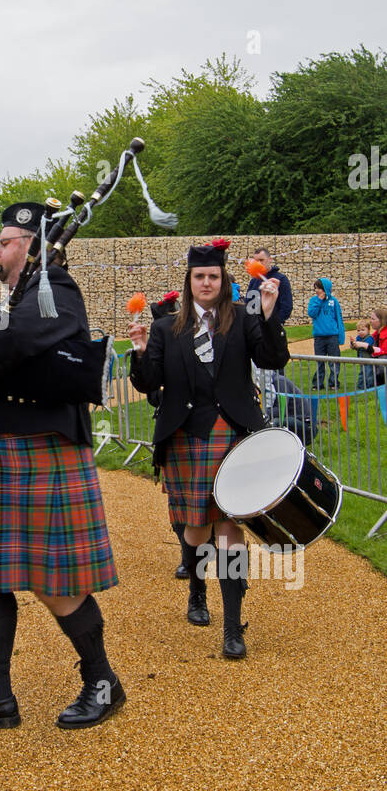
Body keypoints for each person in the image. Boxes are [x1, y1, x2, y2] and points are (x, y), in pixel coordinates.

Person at [0, 201, 123, 731]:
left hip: (42, 453)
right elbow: (9, 368)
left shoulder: (55, 289)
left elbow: (17, 341)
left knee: (55, 583)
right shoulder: (13, 300)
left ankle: (102, 683)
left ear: (32, 245)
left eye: (6, 241)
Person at [128, 239, 289, 659]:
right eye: (199, 276)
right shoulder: (167, 328)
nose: (206, 283)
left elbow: (274, 360)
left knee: (230, 528)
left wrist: (269, 317)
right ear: (189, 281)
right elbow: (147, 384)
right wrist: (140, 351)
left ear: (223, 280)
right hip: (184, 434)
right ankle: (197, 590)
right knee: (197, 529)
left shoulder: (242, 319)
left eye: (213, 276)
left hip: (234, 434)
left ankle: (233, 626)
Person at [147, 292, 189, 580]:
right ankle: (189, 557)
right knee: (178, 501)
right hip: (174, 429)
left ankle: (203, 553)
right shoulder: (158, 344)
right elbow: (151, 394)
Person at [307, 278, 345, 391]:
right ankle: (318, 383)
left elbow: (339, 318)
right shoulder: (313, 300)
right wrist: (319, 300)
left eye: (319, 288)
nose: (317, 290)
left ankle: (334, 382)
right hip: (319, 337)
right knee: (320, 362)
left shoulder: (334, 301)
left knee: (334, 361)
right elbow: (312, 313)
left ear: (325, 289)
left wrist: (341, 336)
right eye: (316, 288)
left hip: (332, 336)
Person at [245, 248, 293, 324]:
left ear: (270, 259)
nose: (259, 263)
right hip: (254, 326)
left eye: (261, 260)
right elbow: (248, 304)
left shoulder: (281, 279)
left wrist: (275, 323)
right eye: (256, 261)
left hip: (273, 326)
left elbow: (286, 306)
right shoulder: (254, 281)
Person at [351, 317, 376, 391]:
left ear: (368, 330)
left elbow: (367, 346)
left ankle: (370, 387)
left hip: (368, 359)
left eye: (363, 330)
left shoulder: (370, 338)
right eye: (358, 330)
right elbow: (356, 347)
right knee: (362, 373)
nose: (360, 332)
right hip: (361, 359)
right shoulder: (358, 338)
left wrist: (359, 344)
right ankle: (361, 386)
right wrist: (353, 343)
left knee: (369, 373)